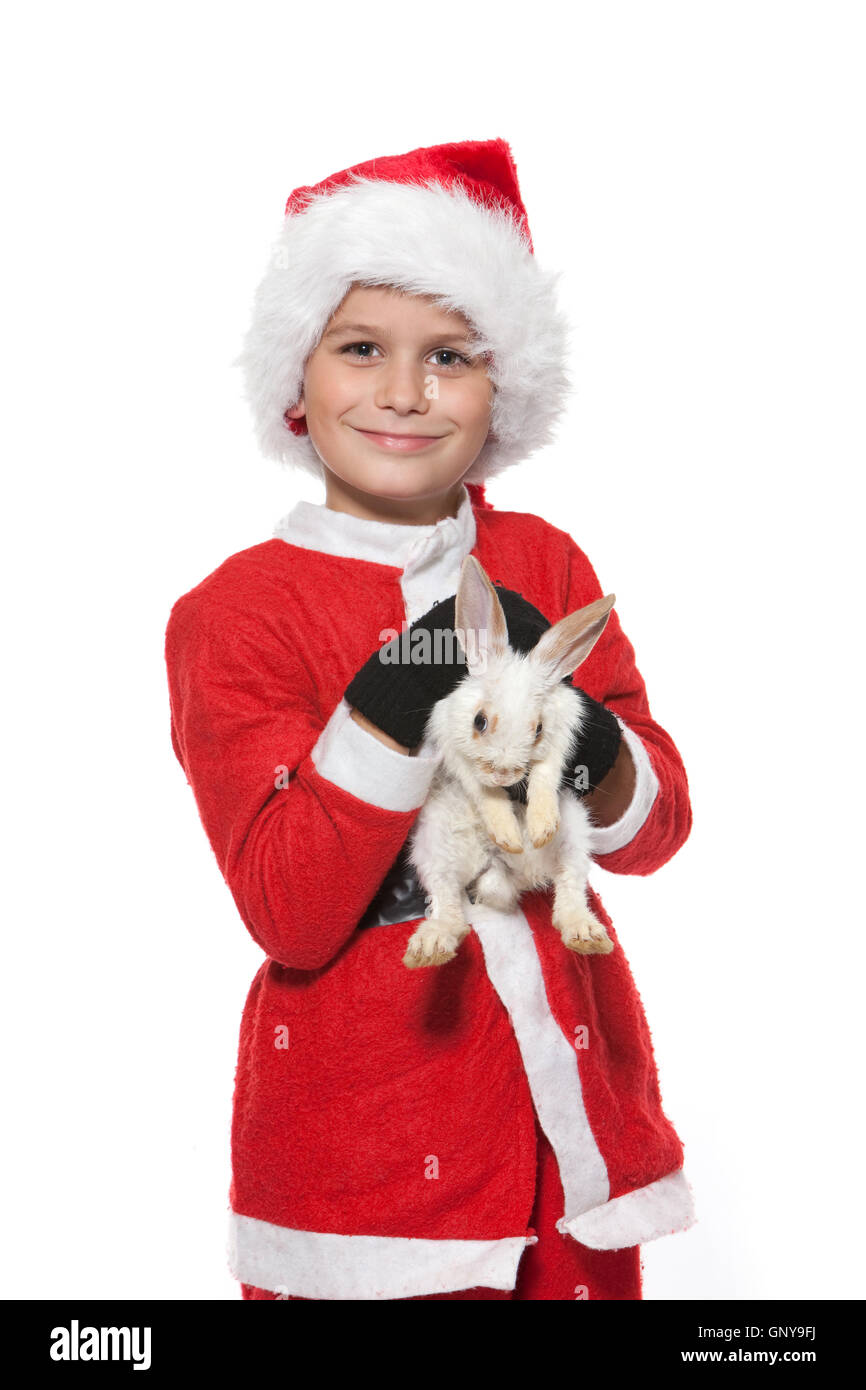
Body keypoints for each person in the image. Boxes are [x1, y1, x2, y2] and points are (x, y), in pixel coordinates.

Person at [164, 138, 695, 1301]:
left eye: (447, 356)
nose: (404, 393)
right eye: (361, 349)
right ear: (293, 383)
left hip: (567, 1124)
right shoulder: (236, 613)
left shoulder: (543, 561)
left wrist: (578, 733)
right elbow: (292, 913)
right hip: (369, 1147)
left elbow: (655, 827)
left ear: (500, 385)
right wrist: (408, 681)